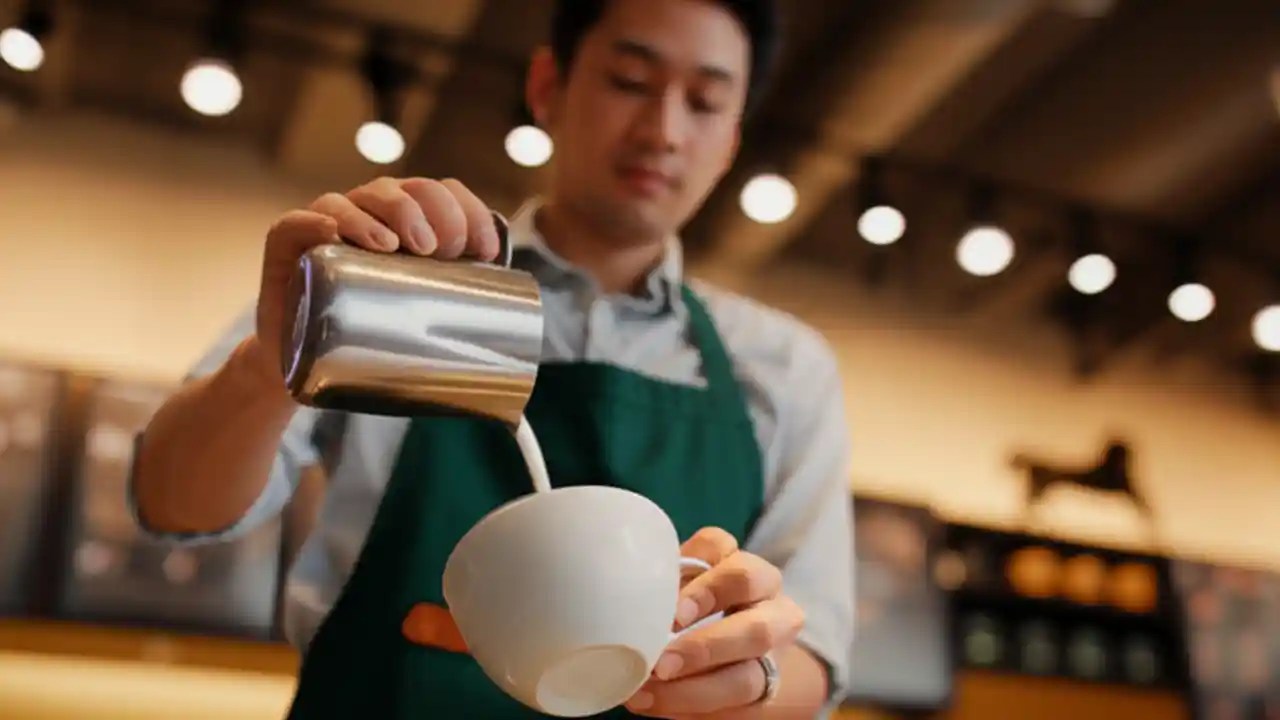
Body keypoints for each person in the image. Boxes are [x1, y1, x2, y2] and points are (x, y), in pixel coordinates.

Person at [130, 0, 855, 717]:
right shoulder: (398, 284)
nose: (663, 131)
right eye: (630, 82)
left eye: (704, 102)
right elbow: (172, 504)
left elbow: (812, 656)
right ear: (548, 88)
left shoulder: (783, 366)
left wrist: (742, 675)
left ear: (730, 142)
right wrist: (274, 359)